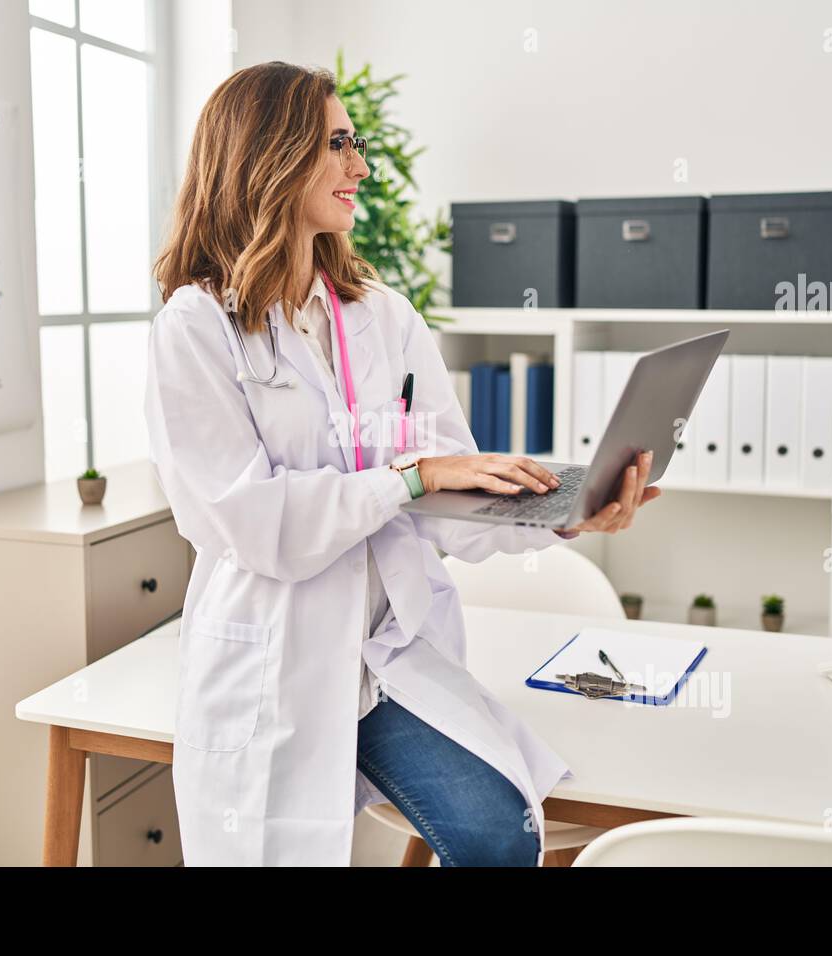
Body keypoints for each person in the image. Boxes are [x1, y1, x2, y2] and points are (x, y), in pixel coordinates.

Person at [144, 61, 660, 866]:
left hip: (387, 658)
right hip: (273, 665)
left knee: (497, 836)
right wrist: (407, 478)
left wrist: (566, 513)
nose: (361, 167)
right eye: (339, 144)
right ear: (270, 156)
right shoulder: (197, 326)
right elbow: (251, 523)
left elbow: (454, 495)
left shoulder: (379, 316)